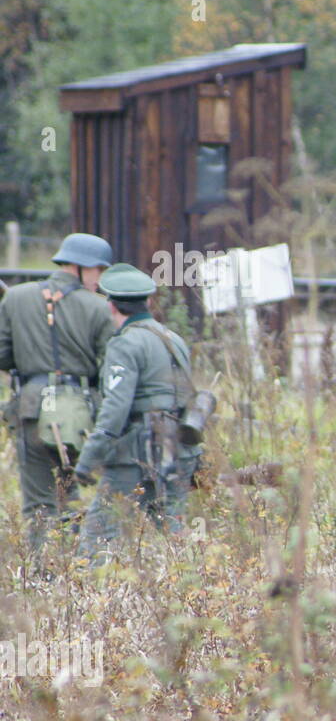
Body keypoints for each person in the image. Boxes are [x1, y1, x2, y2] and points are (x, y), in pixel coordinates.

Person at [73, 264, 202, 561]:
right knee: (173, 530)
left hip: (136, 450)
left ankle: (90, 590)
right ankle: (191, 589)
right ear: (147, 302)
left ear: (111, 305)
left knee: (99, 531)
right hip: (178, 449)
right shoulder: (173, 338)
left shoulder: (125, 343)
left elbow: (116, 408)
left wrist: (88, 459)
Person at [0, 233, 114, 550]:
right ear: (81, 267)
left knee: (38, 501)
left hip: (30, 408)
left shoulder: (16, 298)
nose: (100, 279)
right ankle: (71, 568)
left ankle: (43, 573)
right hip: (80, 413)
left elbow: (2, 355)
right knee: (69, 493)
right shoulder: (100, 308)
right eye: (99, 271)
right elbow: (110, 365)